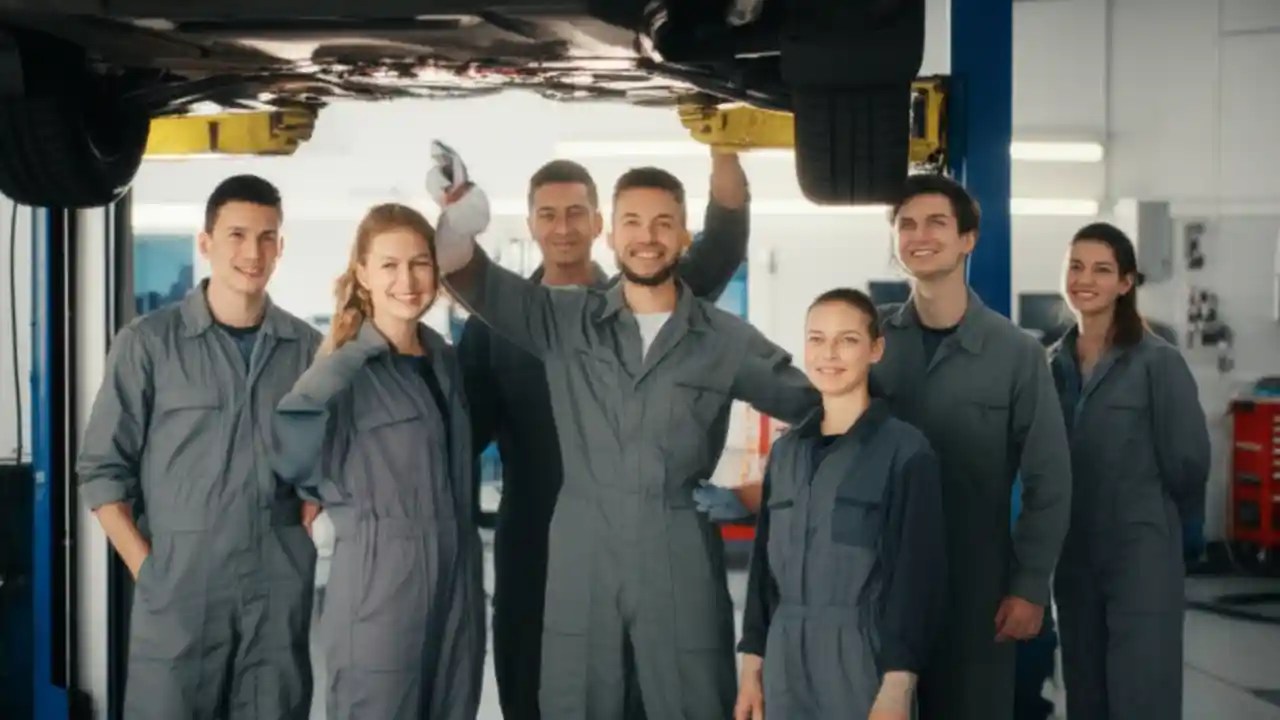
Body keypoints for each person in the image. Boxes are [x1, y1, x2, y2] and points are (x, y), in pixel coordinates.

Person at [427, 140, 819, 719]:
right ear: (612, 233)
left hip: (676, 543)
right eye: (633, 221)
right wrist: (460, 211)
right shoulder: (562, 320)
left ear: (683, 236)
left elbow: (825, 411)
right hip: (574, 548)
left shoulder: (722, 338)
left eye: (664, 223)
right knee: (570, 698)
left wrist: (760, 494)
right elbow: (465, 271)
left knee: (688, 699)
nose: (647, 235)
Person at [76, 175, 321, 719]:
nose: (252, 252)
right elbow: (101, 471)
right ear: (206, 242)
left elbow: (329, 457)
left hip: (275, 588)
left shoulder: (306, 348)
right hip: (180, 589)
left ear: (280, 247)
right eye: (236, 235)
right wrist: (151, 572)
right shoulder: (149, 343)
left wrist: (302, 524)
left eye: (266, 237)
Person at [868, 173, 1072, 720]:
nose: (919, 235)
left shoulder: (1015, 353)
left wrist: (1029, 586)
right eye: (906, 224)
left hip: (976, 584)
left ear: (968, 239)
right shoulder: (870, 342)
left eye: (937, 222)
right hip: (875, 576)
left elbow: (1049, 478)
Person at [271, 204, 484, 720]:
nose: (407, 280)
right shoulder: (344, 369)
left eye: (419, 263)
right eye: (389, 265)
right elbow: (290, 449)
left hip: (459, 577)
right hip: (380, 582)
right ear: (363, 273)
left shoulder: (447, 362)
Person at [735, 288, 948, 720]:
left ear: (875, 349)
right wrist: (751, 665)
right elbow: (762, 573)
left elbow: (917, 579)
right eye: (816, 338)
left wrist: (898, 684)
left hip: (861, 659)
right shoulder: (787, 452)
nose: (828, 354)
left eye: (847, 340)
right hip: (784, 659)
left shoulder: (906, 452)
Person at [1048, 222, 1209, 720]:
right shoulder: (1051, 365)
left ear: (1125, 282)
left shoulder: (1157, 362)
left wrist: (1166, 532)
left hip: (1141, 553)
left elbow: (1188, 461)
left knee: (1142, 693)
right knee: (1085, 691)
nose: (1084, 279)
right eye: (1075, 266)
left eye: (1101, 269)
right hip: (1073, 554)